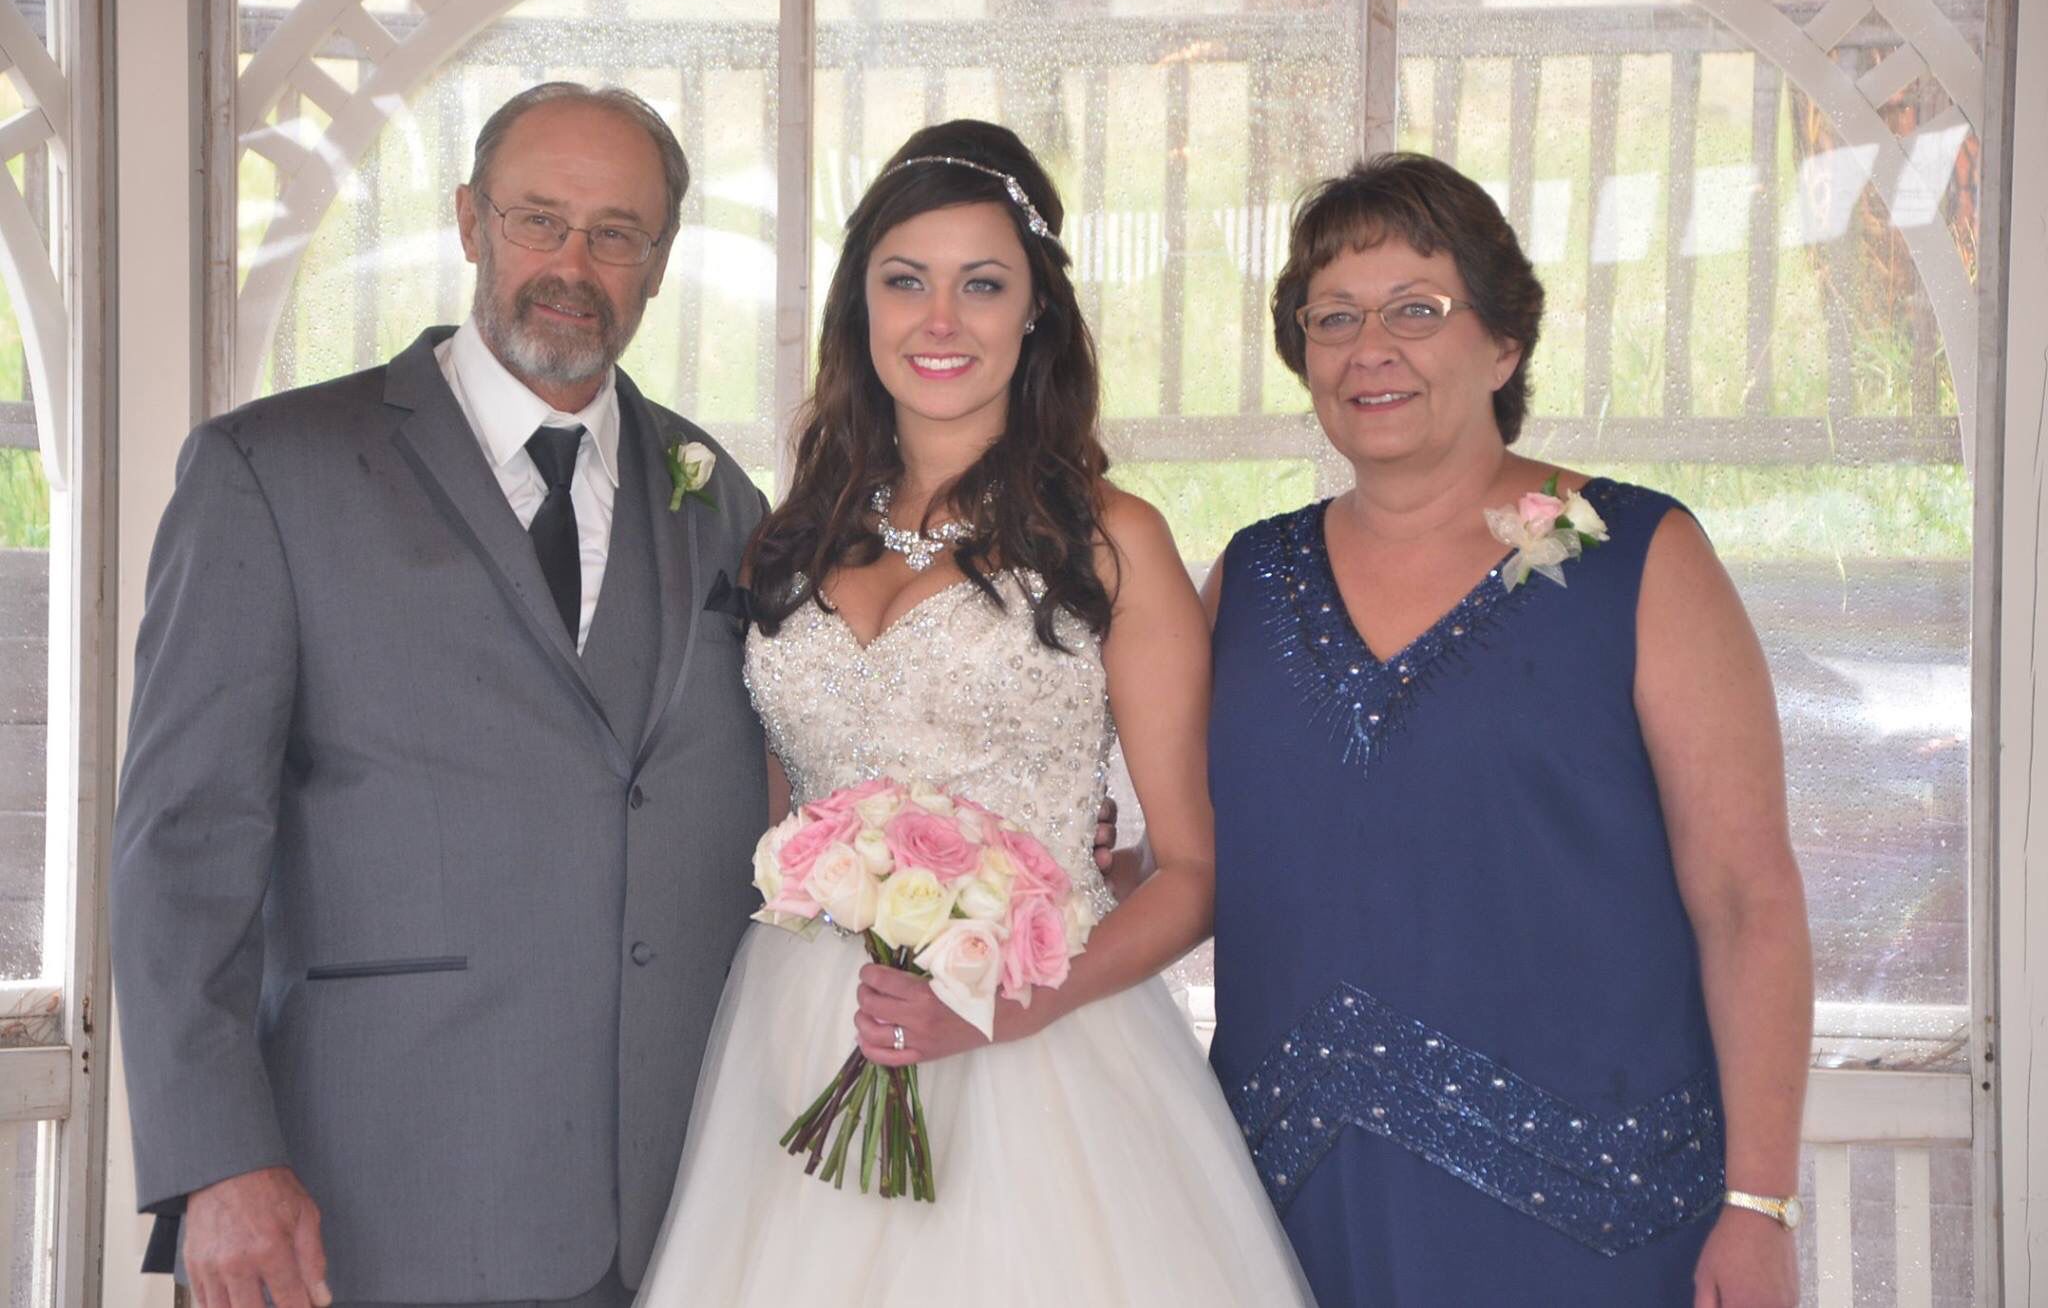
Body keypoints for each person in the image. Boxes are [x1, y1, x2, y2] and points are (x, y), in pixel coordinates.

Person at [111, 83, 774, 1308]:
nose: (572, 265)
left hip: (682, 1205)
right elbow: (183, 839)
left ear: (659, 262)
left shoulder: (719, 498)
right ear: (468, 221)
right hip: (370, 1193)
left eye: (616, 233)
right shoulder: (271, 470)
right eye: (537, 219)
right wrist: (218, 1160)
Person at [632, 120, 1309, 1306]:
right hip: (797, 1038)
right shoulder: (784, 541)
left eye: (981, 285)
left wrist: (1003, 1013)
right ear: (862, 309)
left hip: (1041, 1051)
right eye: (906, 282)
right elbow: (770, 827)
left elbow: (1196, 870)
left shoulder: (1115, 542)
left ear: (1034, 310)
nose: (939, 321)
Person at [1199, 153, 1814, 1306]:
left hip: (1593, 1220)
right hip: (1286, 1212)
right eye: (1332, 316)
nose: (1367, 347)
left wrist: (1758, 1203)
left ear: (1503, 344)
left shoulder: (1635, 555)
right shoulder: (1249, 577)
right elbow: (1210, 857)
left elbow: (1747, 897)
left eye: (1416, 310)